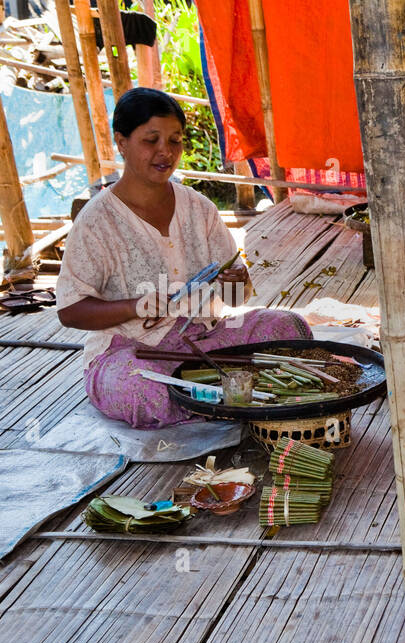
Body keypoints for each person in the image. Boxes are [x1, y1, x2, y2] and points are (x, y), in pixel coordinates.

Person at [57, 88, 310, 429]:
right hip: (134, 353)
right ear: (121, 142)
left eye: (175, 140)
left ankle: (206, 394)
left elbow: (236, 298)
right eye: (152, 140)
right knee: (143, 393)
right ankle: (225, 394)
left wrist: (238, 283)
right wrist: (136, 306)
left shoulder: (198, 207)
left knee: (288, 327)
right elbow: (71, 311)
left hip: (207, 341)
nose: (166, 152)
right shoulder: (97, 220)